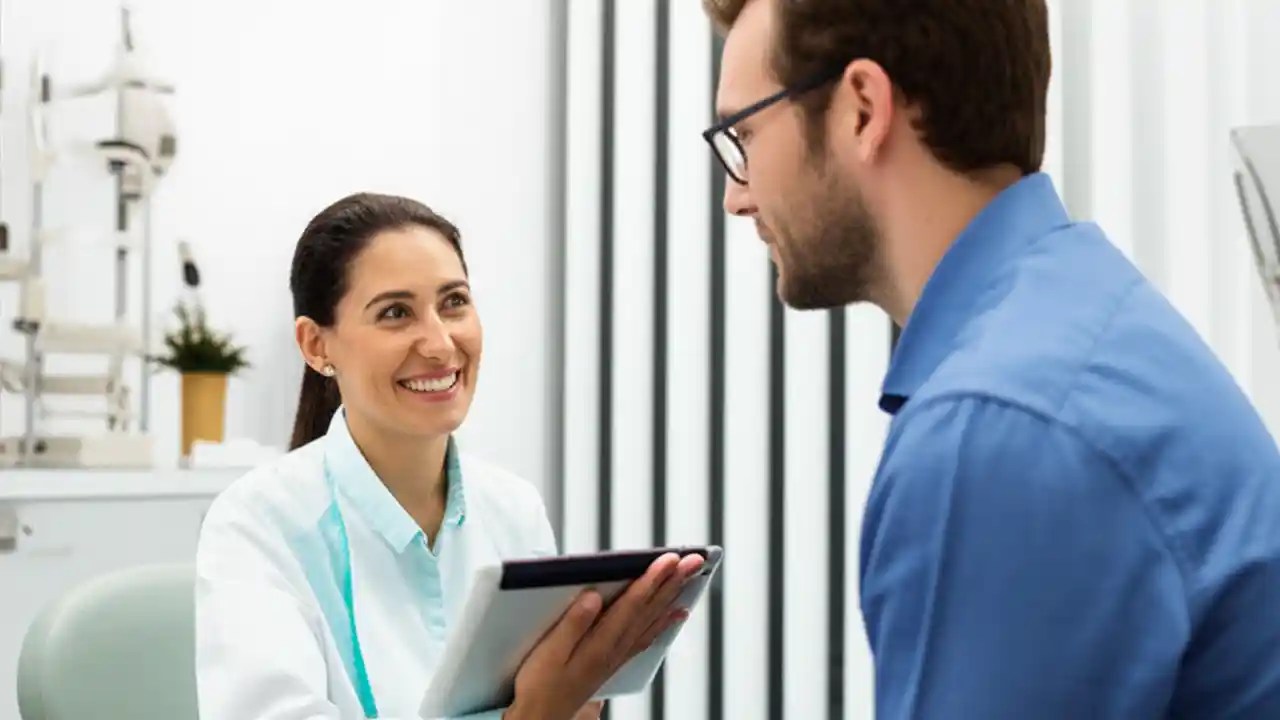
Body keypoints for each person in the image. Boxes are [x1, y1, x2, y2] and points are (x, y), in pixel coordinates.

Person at [703, 0, 1280, 717]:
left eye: (744, 134)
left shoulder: (997, 425)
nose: (737, 194)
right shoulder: (1081, 326)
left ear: (861, 108)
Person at [194, 192, 703, 720]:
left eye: (454, 302)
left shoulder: (513, 509)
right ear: (317, 346)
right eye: (396, 313)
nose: (439, 343)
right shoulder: (257, 524)